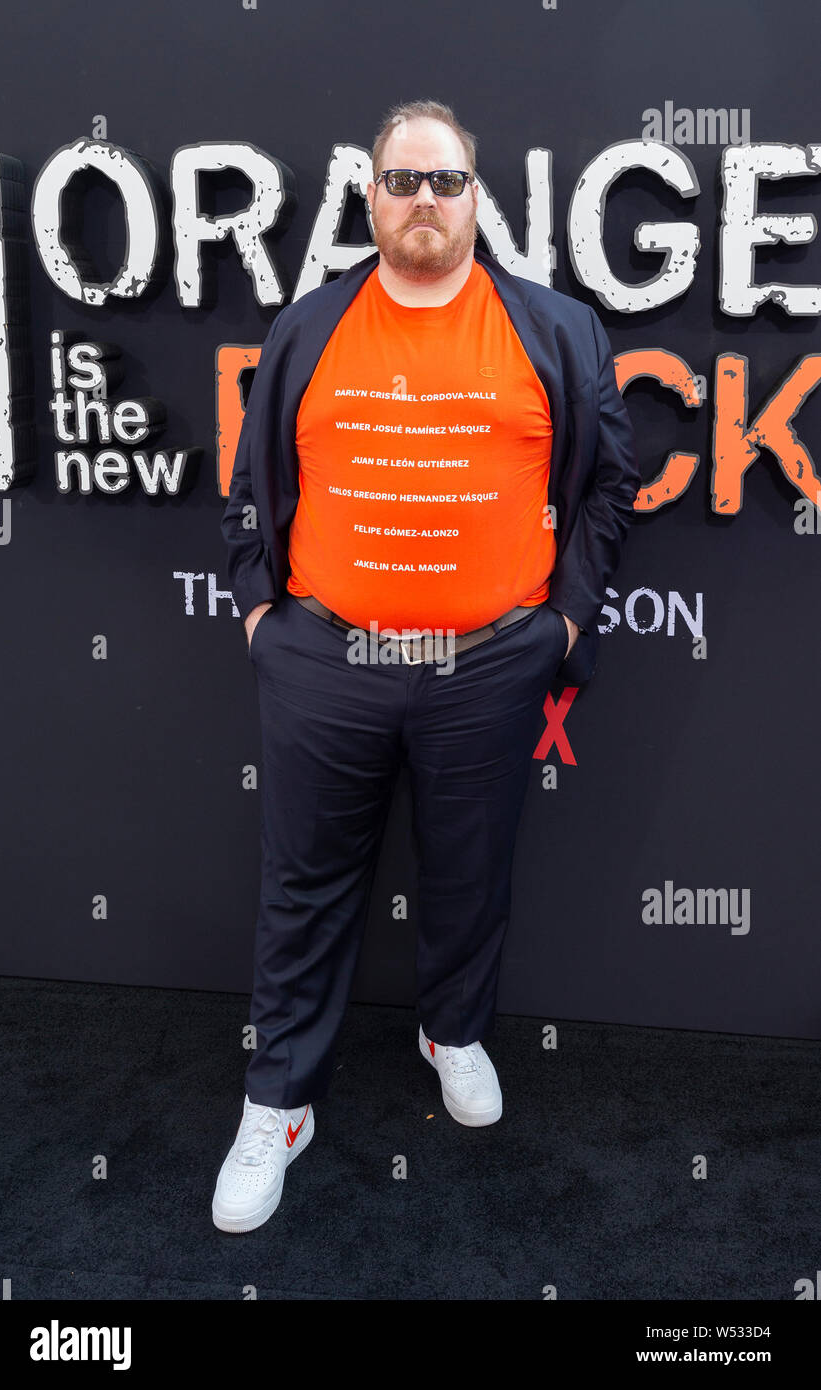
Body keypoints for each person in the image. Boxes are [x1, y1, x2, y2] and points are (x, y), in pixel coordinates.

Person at [212, 99, 639, 1233]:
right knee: (303, 885)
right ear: (371, 198)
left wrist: (562, 624)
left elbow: (605, 485)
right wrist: (262, 612)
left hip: (488, 667)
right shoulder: (309, 327)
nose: (424, 203)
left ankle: (451, 1032)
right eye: (403, 182)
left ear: (474, 199)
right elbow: (247, 479)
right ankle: (279, 1101)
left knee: (469, 872)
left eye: (446, 183)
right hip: (327, 664)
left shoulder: (554, 328)